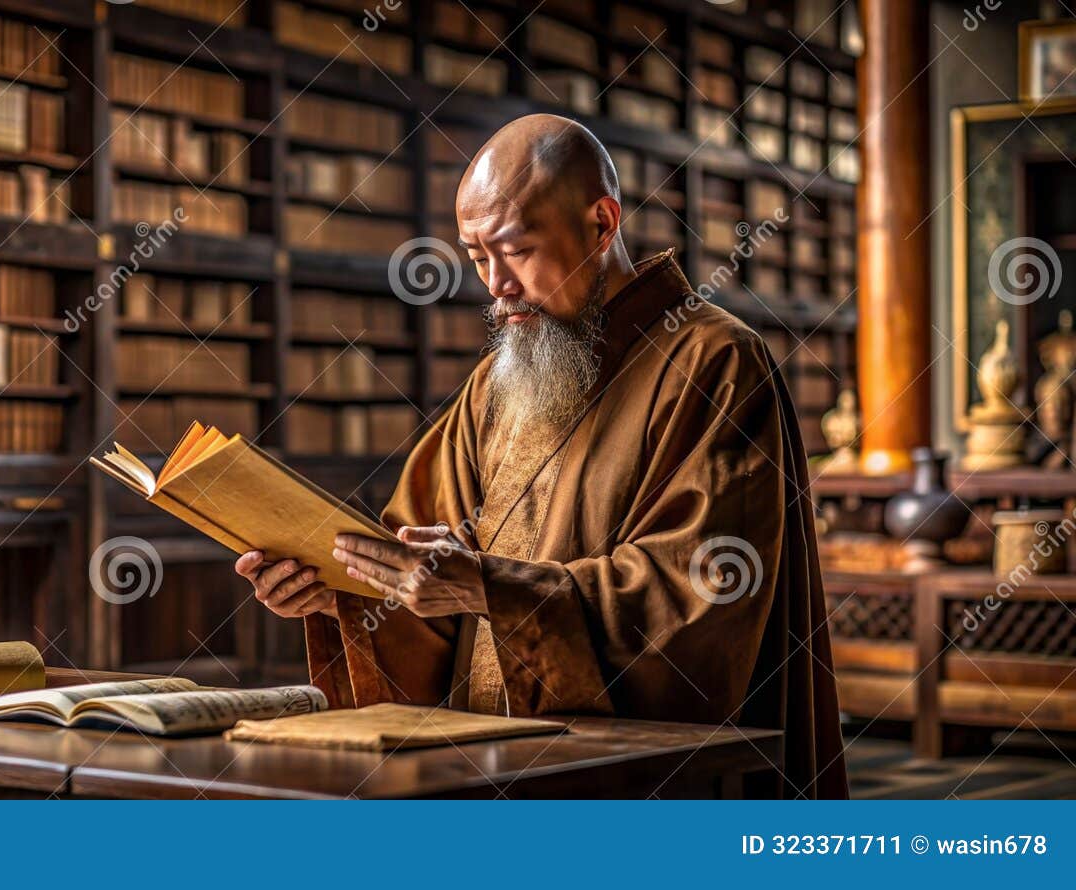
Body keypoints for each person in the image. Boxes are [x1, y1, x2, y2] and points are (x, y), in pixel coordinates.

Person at [234, 114, 846, 798]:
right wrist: (338, 594)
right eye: (475, 257)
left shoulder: (714, 362)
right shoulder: (495, 388)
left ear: (602, 223)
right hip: (482, 766)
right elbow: (421, 566)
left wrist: (491, 586)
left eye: (516, 250)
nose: (495, 284)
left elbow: (699, 597)